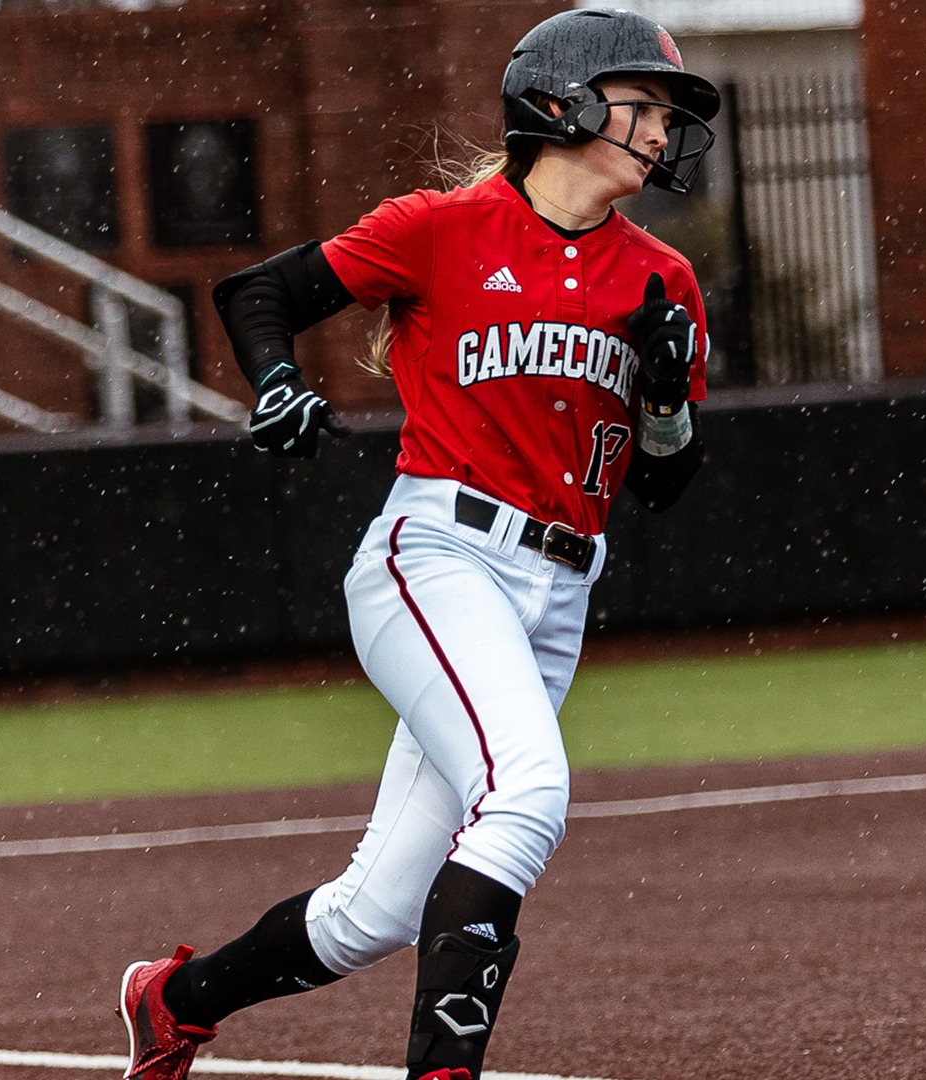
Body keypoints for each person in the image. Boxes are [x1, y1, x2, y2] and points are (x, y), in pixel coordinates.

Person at [116, 9, 716, 1080]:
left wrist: (666, 398)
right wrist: (279, 381)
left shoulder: (661, 278)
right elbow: (259, 292)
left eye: (669, 116)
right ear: (561, 103)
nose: (663, 132)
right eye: (644, 105)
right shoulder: (443, 228)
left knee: (372, 914)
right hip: (439, 555)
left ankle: (175, 1000)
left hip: (559, 591)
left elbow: (665, 481)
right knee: (526, 792)